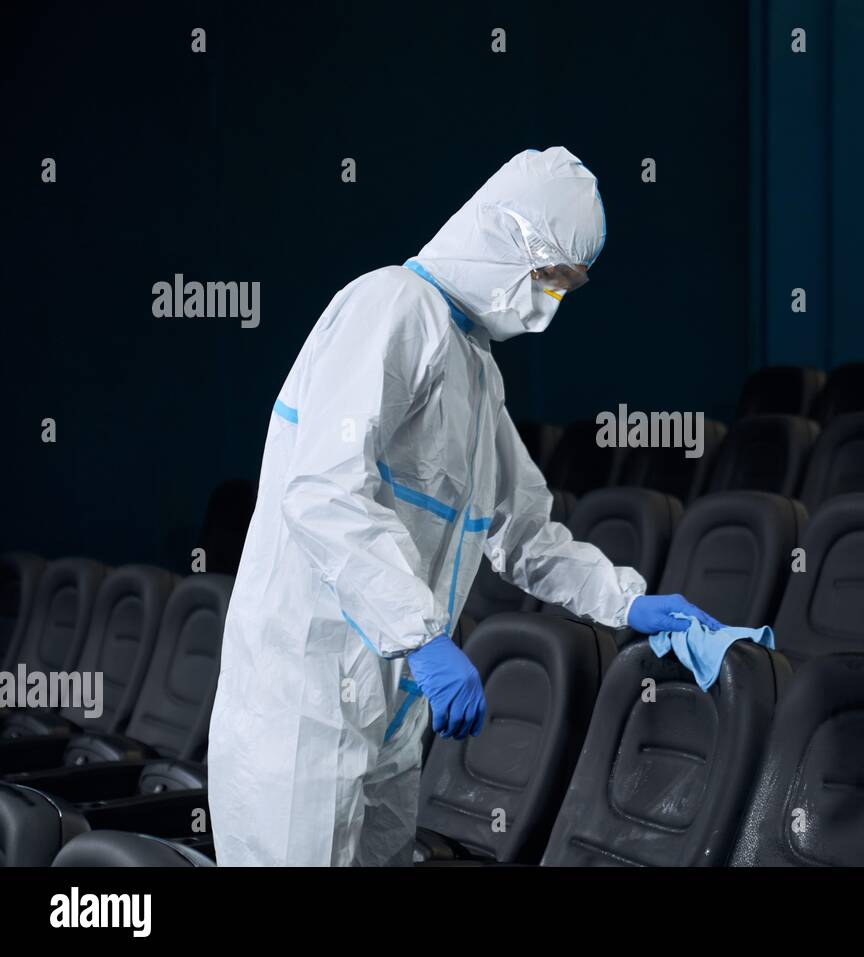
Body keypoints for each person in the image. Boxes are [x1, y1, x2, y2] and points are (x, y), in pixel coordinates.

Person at [207, 147, 719, 866]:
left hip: (387, 719)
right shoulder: (391, 307)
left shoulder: (474, 373)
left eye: (567, 287)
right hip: (303, 714)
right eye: (548, 276)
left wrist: (629, 603)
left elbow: (525, 534)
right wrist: (421, 636)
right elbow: (323, 492)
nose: (550, 302)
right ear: (504, 238)